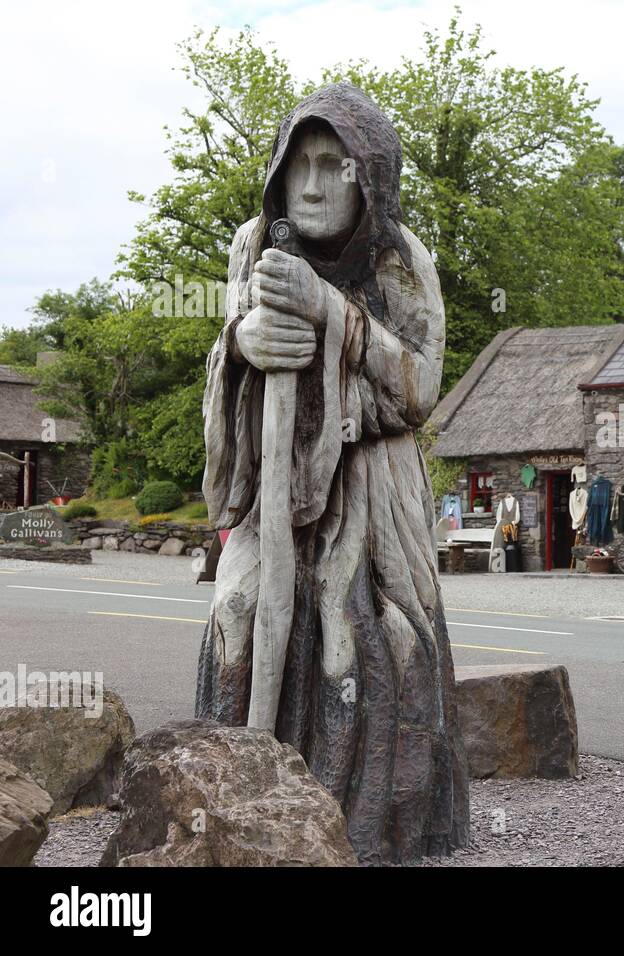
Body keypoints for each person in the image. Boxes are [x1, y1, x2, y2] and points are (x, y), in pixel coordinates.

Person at [195, 83, 468, 863]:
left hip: (372, 493)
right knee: (240, 611)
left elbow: (417, 387)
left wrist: (330, 312)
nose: (311, 185)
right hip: (273, 486)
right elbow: (228, 347)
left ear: (368, 175)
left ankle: (372, 827)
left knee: (367, 634)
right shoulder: (256, 243)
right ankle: (224, 804)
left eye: (334, 166)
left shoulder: (399, 258)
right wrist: (243, 345)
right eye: (298, 165)